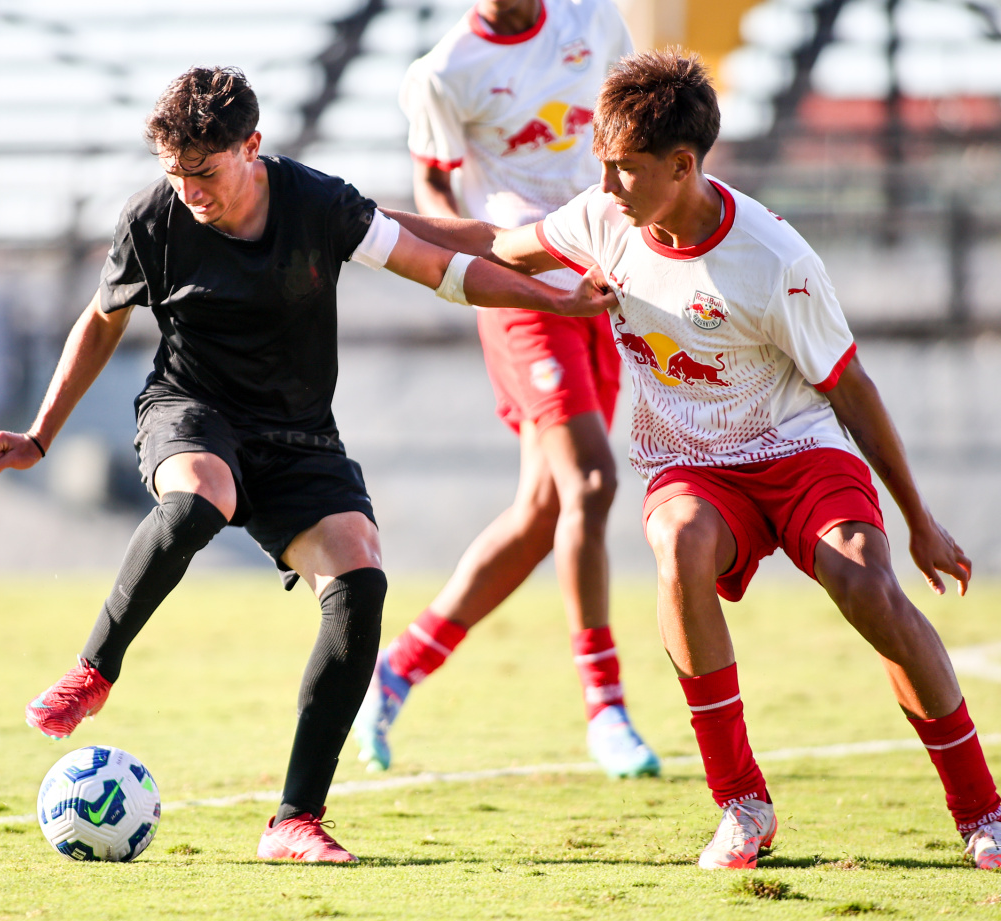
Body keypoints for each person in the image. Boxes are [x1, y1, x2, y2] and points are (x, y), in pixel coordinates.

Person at [0, 66, 615, 864]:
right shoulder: (154, 218)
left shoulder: (318, 204)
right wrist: (40, 435)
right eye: (175, 173)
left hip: (299, 434)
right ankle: (94, 670)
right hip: (190, 410)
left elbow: (436, 267)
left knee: (360, 579)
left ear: (253, 146)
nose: (190, 190)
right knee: (201, 496)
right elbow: (100, 323)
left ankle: (293, 822)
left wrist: (553, 297)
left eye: (204, 172)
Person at [378, 49, 1001, 870]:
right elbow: (497, 241)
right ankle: (742, 805)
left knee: (864, 582)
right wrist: (363, 224)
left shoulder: (776, 261)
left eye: (624, 170)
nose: (604, 188)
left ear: (682, 166)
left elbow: (851, 388)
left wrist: (919, 523)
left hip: (798, 451)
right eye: (600, 166)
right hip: (693, 469)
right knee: (678, 545)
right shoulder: (607, 220)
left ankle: (981, 811)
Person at [354, 0, 660, 780]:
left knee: (543, 512)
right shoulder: (443, 74)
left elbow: (631, 139)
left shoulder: (593, 20)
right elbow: (436, 196)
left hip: (605, 280)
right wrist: (485, 279)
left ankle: (398, 668)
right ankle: (606, 708)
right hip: (525, 295)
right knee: (591, 482)